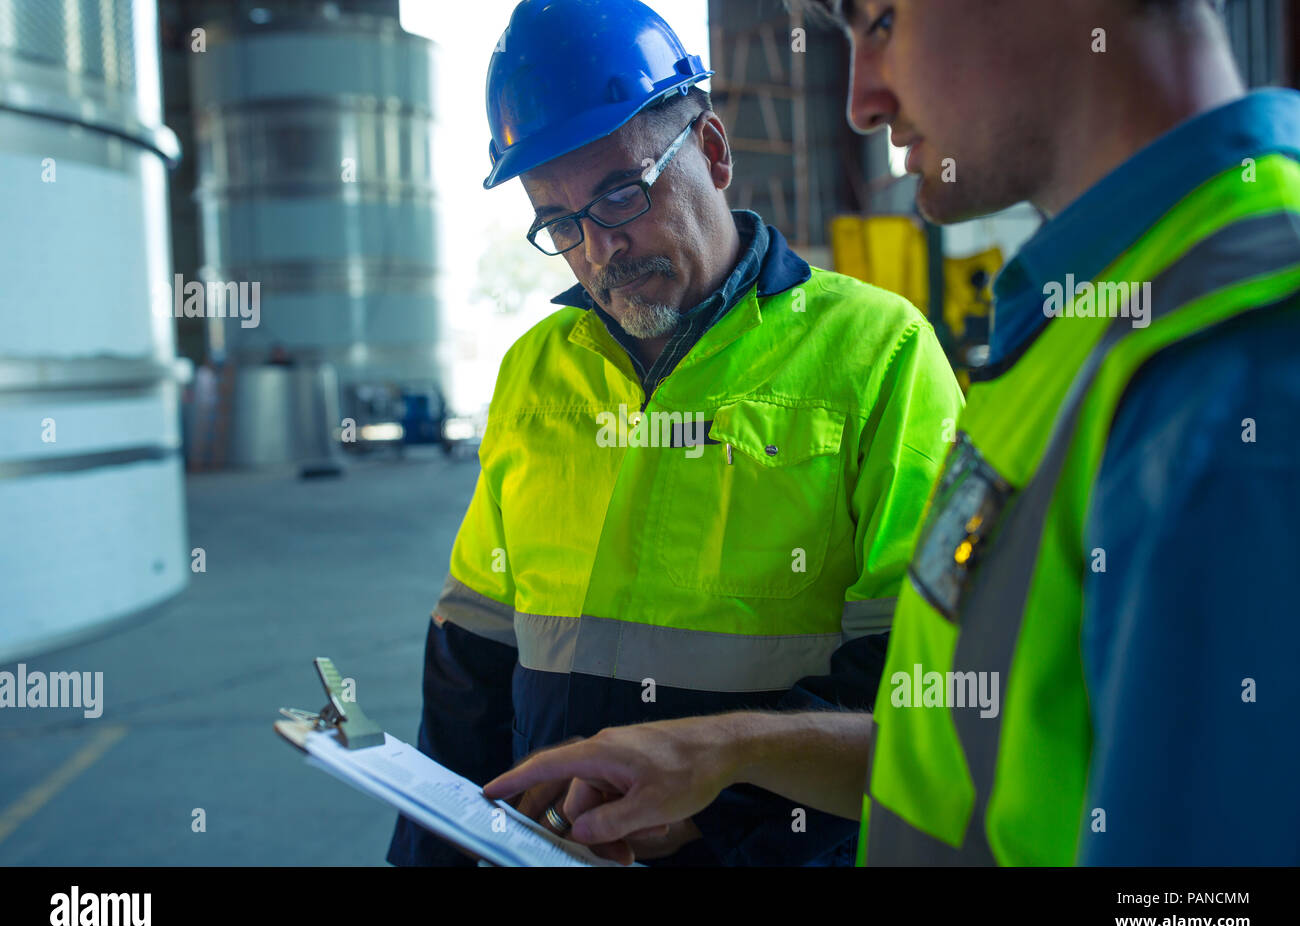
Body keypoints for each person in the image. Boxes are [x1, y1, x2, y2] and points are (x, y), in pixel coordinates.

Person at [484, 0, 1300, 866]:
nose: (862, 103)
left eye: (880, 21)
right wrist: (725, 754)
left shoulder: (1239, 344)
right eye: (563, 223)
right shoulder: (1075, 327)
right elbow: (947, 743)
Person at [386, 0, 963, 867]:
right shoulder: (535, 370)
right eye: (561, 222)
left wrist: (716, 813)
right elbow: (473, 652)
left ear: (714, 152)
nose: (601, 249)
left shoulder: (880, 351)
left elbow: (913, 673)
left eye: (622, 193)